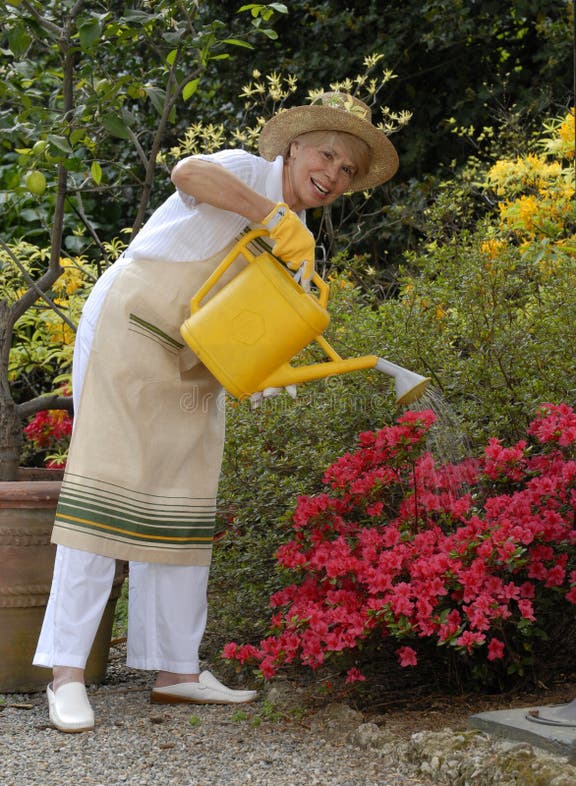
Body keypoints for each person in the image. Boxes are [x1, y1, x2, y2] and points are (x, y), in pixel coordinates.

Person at [33, 90, 399, 732]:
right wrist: (269, 214)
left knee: (184, 499)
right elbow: (186, 174)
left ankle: (175, 671)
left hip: (196, 360)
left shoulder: (300, 238)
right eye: (328, 155)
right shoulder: (248, 173)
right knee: (104, 486)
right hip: (132, 327)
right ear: (294, 148)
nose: (333, 175)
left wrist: (262, 367)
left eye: (347, 172)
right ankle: (64, 673)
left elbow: (255, 320)